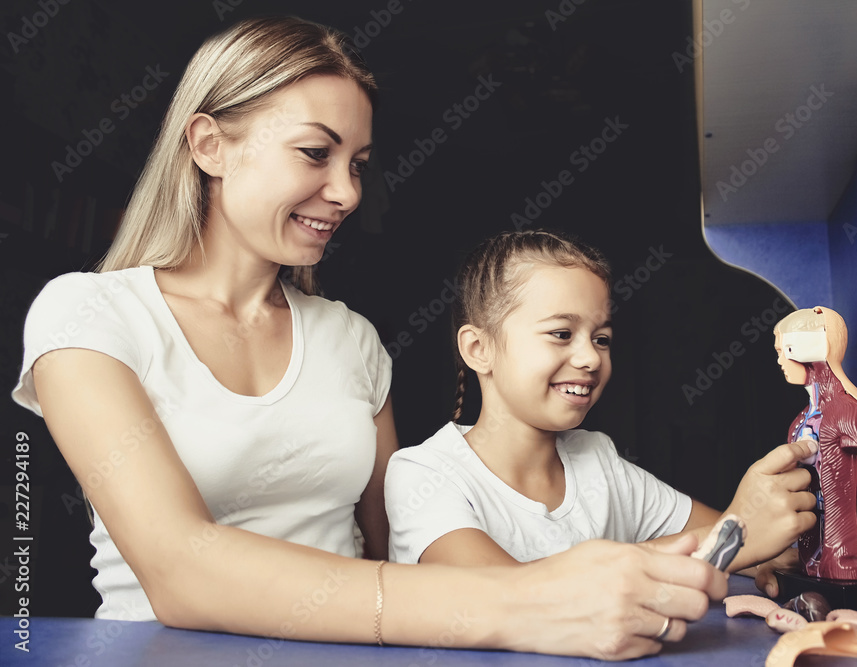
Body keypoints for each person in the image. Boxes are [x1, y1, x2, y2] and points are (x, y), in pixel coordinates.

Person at [11, 16, 733, 660]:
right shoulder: (87, 314)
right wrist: (524, 602)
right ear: (209, 145)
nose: (349, 192)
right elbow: (180, 569)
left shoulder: (353, 341)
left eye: (357, 163)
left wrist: (654, 583)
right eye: (315, 153)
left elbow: (394, 550)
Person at [385, 230, 818, 592]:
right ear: (479, 350)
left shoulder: (597, 460)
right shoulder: (422, 474)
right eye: (561, 333)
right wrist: (733, 537)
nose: (591, 359)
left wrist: (768, 550)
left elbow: (745, 536)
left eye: (601, 338)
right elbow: (509, 593)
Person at [774, 306, 857, 582]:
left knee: (839, 568)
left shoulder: (854, 410)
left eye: (783, 350)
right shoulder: (800, 421)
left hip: (848, 553)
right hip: (810, 550)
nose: (779, 361)